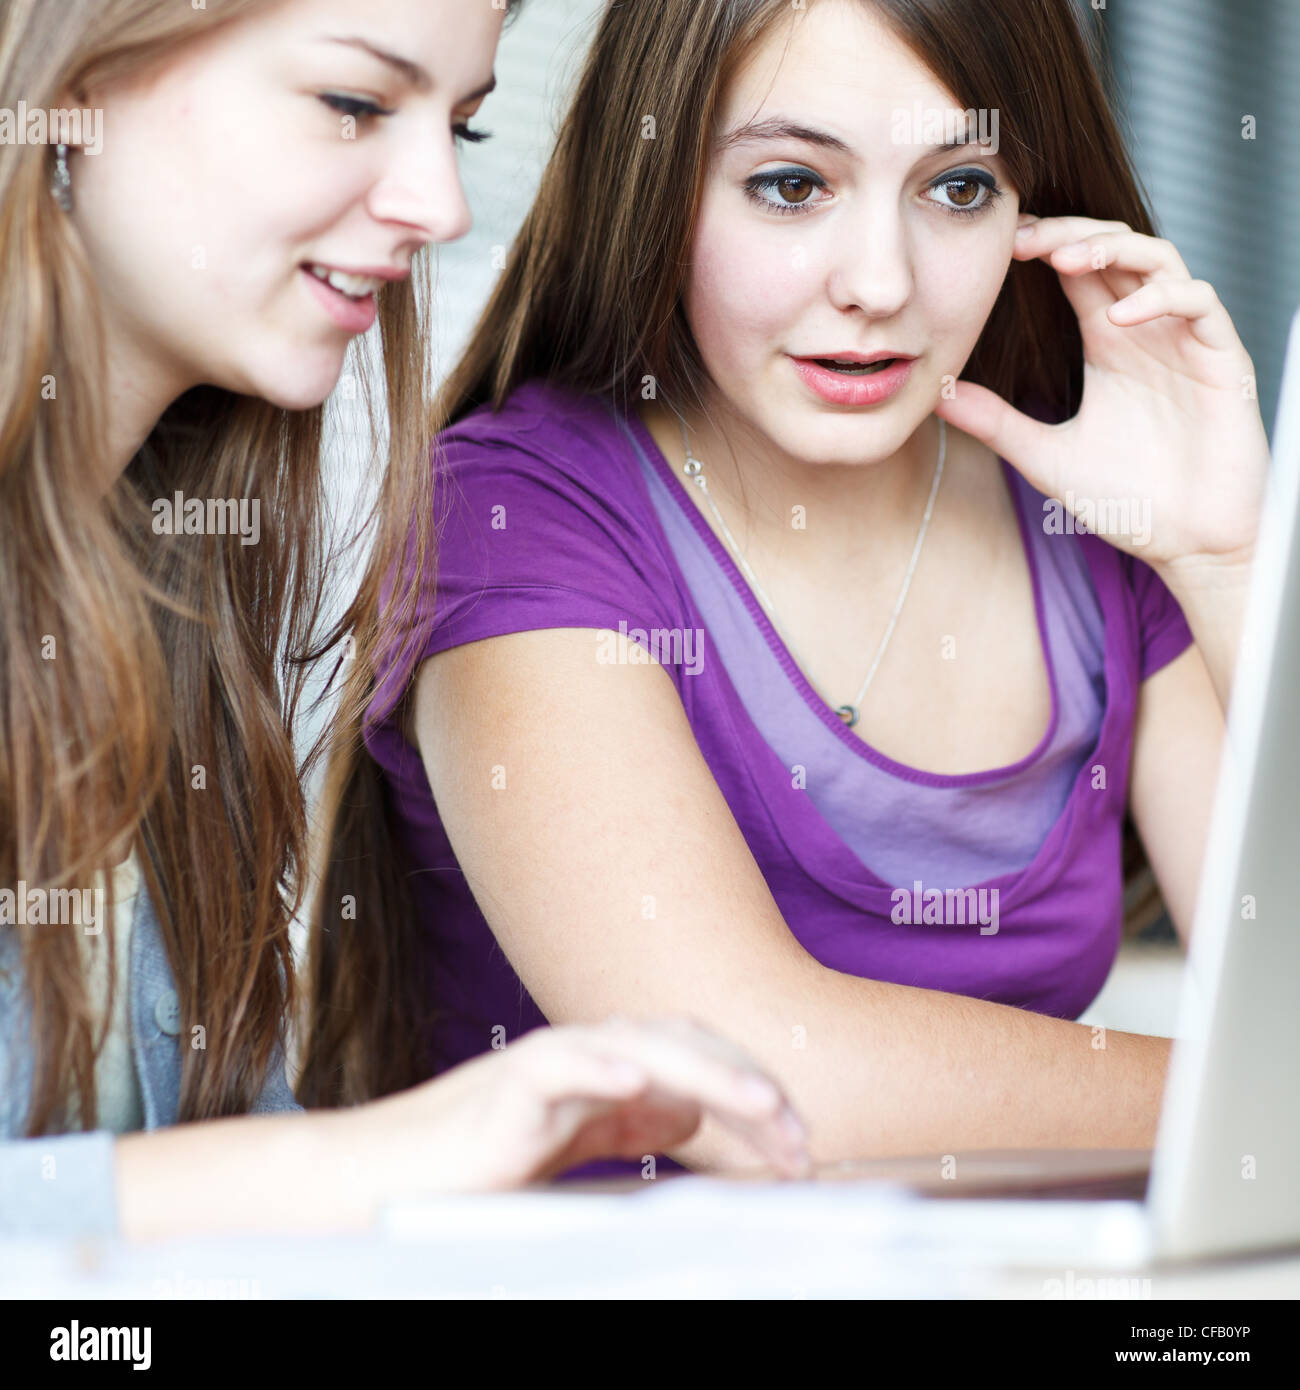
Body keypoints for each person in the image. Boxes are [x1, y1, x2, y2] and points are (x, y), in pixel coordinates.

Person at [307, 0, 1268, 1177]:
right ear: (656, 187)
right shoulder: (516, 511)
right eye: (789, 185)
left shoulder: (1093, 516)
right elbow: (749, 1078)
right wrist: (1248, 1096)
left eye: (958, 187)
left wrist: (1222, 560)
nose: (878, 281)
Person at [0, 0, 812, 1243]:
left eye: (464, 129)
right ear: (73, 81)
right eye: (354, 106)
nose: (440, 207)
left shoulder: (165, 596)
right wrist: (392, 1151)